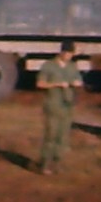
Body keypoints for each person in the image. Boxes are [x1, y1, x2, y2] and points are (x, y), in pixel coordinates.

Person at [36, 41, 84, 175]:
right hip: (53, 105)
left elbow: (79, 80)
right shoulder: (49, 66)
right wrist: (56, 84)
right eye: (67, 53)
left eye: (71, 54)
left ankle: (56, 163)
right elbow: (40, 83)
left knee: (63, 136)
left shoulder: (72, 66)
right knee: (51, 134)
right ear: (62, 52)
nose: (68, 56)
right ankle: (44, 163)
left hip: (67, 106)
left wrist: (77, 83)